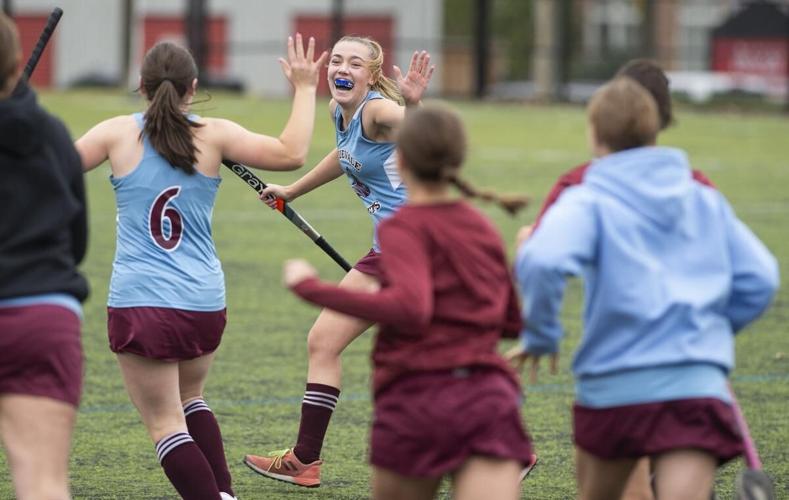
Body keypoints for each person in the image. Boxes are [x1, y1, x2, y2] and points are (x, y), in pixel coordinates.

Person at [75, 36, 326, 500]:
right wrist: (307, 88)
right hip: (202, 302)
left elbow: (53, 167)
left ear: (142, 86)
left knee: (165, 423)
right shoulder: (215, 134)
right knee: (191, 399)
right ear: (193, 87)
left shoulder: (115, 132)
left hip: (141, 302)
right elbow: (291, 153)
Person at [513, 77, 779, 500]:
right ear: (656, 131)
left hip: (614, 389)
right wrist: (707, 330)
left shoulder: (588, 198)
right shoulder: (702, 197)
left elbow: (540, 259)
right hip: (695, 386)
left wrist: (542, 335)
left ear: (595, 136)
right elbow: (761, 278)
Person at [275, 105, 533, 500]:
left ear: (400, 159)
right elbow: (511, 323)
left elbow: (411, 309)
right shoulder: (482, 224)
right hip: (489, 403)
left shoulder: (402, 228)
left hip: (419, 405)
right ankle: (304, 457)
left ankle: (305, 458)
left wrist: (310, 288)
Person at [243, 35, 437, 487]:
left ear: (372, 75)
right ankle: (305, 459)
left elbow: (425, 136)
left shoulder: (377, 112)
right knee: (417, 357)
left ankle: (304, 459)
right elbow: (344, 156)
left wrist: (413, 105)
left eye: (355, 63)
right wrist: (292, 191)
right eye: (337, 61)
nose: (341, 69)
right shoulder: (339, 110)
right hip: (392, 249)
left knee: (332, 343)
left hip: (411, 249)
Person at [0, 13, 88, 500]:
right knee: (43, 482)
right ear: (17, 64)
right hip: (44, 315)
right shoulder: (52, 133)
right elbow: (77, 241)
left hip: (36, 308)